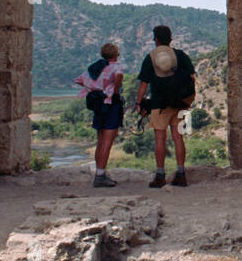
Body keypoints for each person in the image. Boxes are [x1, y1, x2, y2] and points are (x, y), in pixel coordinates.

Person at [134, 25, 195, 188]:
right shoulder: (181, 55)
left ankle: (160, 176)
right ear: (170, 39)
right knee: (178, 137)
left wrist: (139, 102)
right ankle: (181, 174)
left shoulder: (150, 58)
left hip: (159, 104)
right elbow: (191, 79)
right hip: (180, 103)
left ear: (155, 39)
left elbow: (143, 84)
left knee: (159, 139)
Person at [74, 42, 124, 188]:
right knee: (107, 143)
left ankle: (99, 172)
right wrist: (111, 89)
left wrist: (94, 88)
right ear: (115, 55)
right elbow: (118, 80)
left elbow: (79, 80)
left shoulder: (94, 67)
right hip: (110, 105)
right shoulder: (116, 67)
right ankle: (100, 176)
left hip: (97, 105)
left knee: (100, 141)